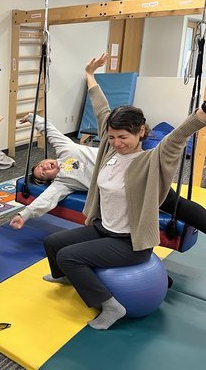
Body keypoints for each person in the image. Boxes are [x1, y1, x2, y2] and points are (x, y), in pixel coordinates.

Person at [41, 52, 206, 330]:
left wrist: (203, 111)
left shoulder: (152, 160)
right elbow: (101, 108)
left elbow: (179, 135)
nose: (116, 142)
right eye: (112, 136)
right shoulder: (110, 148)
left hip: (130, 243)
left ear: (141, 131)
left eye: (123, 137)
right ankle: (66, 276)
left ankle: (110, 306)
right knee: (53, 242)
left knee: (69, 256)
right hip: (105, 228)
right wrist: (89, 74)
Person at [9, 114, 206, 234]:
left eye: (41, 165)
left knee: (175, 203)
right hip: (129, 189)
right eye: (43, 174)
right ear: (49, 179)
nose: (44, 168)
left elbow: (49, 130)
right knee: (168, 205)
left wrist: (33, 118)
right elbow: (46, 200)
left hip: (137, 166)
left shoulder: (65, 148)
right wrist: (23, 215)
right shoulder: (63, 183)